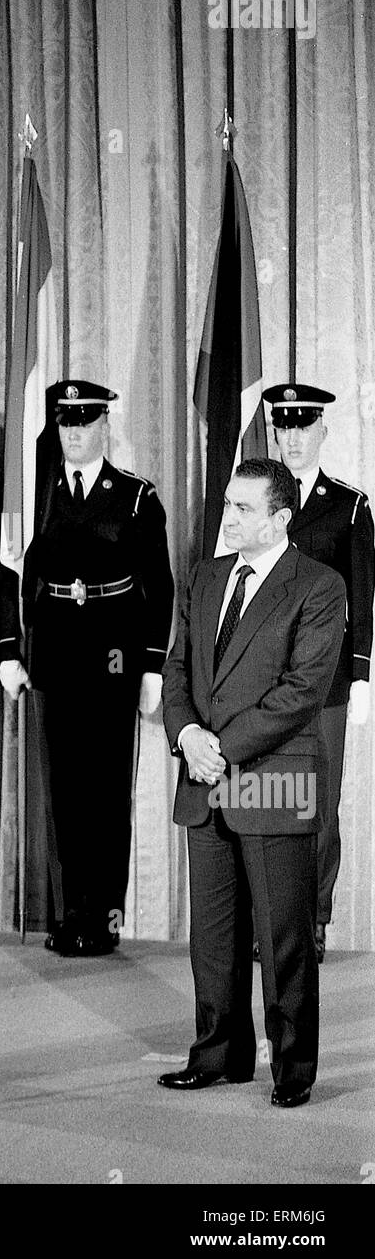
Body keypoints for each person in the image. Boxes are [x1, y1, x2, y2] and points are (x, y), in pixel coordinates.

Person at [160, 458, 346, 1108]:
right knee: (212, 936)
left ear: (280, 517)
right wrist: (186, 737)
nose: (228, 517)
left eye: (243, 508)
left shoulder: (318, 586)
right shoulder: (204, 578)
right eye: (228, 505)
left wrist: (220, 750)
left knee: (282, 936)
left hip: (271, 781)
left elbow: (302, 692)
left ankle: (291, 1070)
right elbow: (177, 668)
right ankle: (217, 1055)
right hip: (202, 779)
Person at [0, 380, 174, 956]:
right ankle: (71, 911)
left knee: (105, 792)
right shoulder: (38, 493)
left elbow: (161, 585)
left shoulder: (134, 496)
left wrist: (152, 665)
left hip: (114, 657)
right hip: (57, 656)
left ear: (105, 425)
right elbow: (14, 578)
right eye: (65, 422)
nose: (73, 432)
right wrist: (11, 650)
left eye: (84, 421)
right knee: (65, 792)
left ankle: (103, 917)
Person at [261, 383, 373, 961]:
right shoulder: (253, 500)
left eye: (305, 427)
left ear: (322, 432)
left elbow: (362, 595)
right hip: (263, 682)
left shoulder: (348, 507)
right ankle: (272, 921)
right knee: (269, 798)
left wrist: (361, 676)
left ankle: (313, 919)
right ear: (275, 434)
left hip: (325, 683)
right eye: (285, 427)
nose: (295, 438)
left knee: (319, 803)